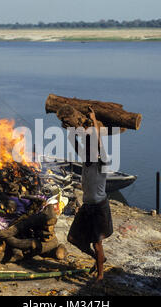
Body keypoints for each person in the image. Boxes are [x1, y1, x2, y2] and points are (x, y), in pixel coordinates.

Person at [67, 107, 113, 282]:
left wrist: (94, 120)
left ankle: (100, 275)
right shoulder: (86, 161)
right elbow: (72, 139)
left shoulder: (102, 163)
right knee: (72, 238)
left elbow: (100, 143)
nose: (86, 152)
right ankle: (98, 258)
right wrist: (71, 123)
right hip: (87, 207)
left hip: (99, 208)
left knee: (97, 243)